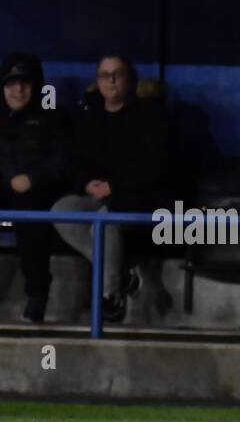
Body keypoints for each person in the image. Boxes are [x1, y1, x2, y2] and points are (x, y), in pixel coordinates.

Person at [51, 54, 170, 323]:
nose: (111, 80)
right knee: (61, 209)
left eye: (117, 74)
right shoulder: (88, 114)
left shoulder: (150, 115)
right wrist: (86, 182)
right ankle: (123, 274)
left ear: (130, 79)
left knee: (103, 221)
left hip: (136, 194)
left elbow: (155, 164)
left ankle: (110, 295)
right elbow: (71, 158)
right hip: (95, 192)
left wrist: (113, 185)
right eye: (105, 75)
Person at [0, 52, 70, 324]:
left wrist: (33, 178)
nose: (18, 90)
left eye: (25, 83)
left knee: (29, 210)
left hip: (37, 191)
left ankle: (37, 294)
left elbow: (64, 160)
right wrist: (11, 178)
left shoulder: (54, 119)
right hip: (7, 185)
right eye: (11, 83)